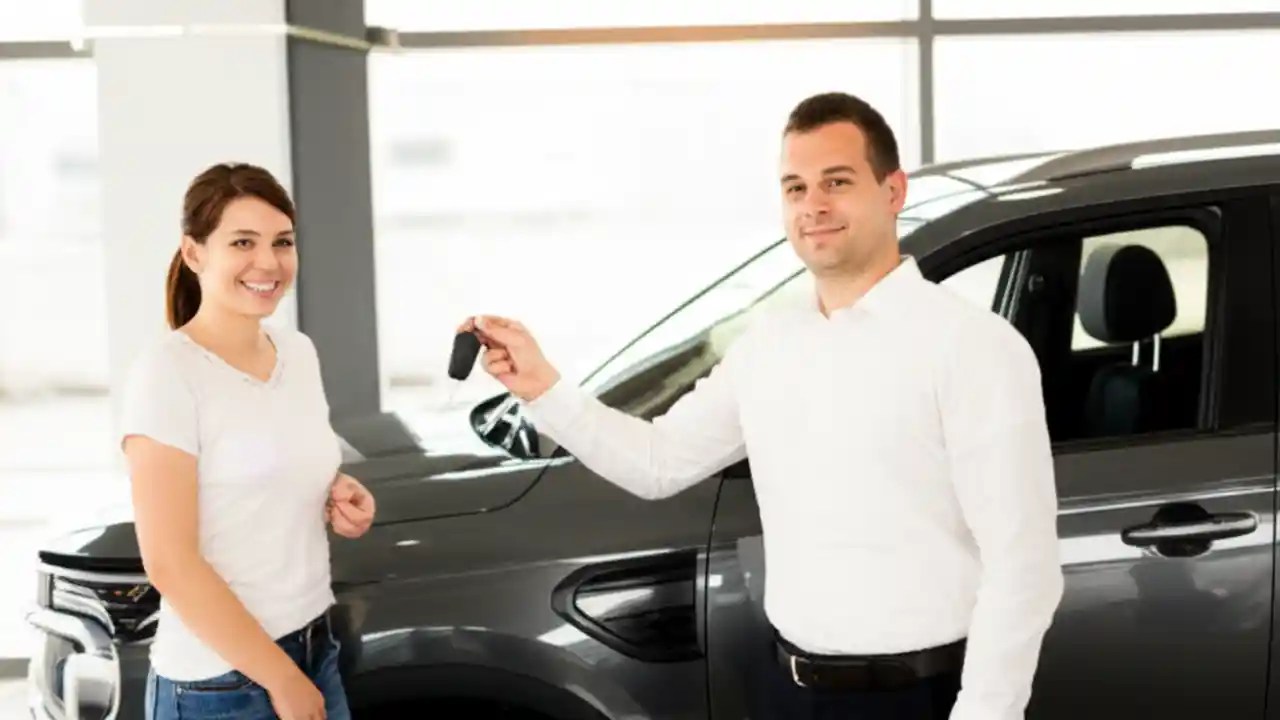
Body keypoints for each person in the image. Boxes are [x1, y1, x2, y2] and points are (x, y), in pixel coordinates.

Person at [462, 92, 1063, 720]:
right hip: (789, 689)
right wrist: (542, 388)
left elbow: (1024, 564)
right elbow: (657, 462)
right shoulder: (770, 345)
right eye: (795, 188)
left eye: (837, 181)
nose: (814, 206)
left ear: (893, 192)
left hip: (922, 697)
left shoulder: (974, 348)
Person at [121, 162, 377, 720]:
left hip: (313, 647)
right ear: (195, 254)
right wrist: (281, 679)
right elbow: (169, 562)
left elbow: (272, 462)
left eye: (282, 242)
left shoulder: (298, 352)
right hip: (219, 683)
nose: (269, 262)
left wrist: (334, 492)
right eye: (243, 242)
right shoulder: (167, 372)